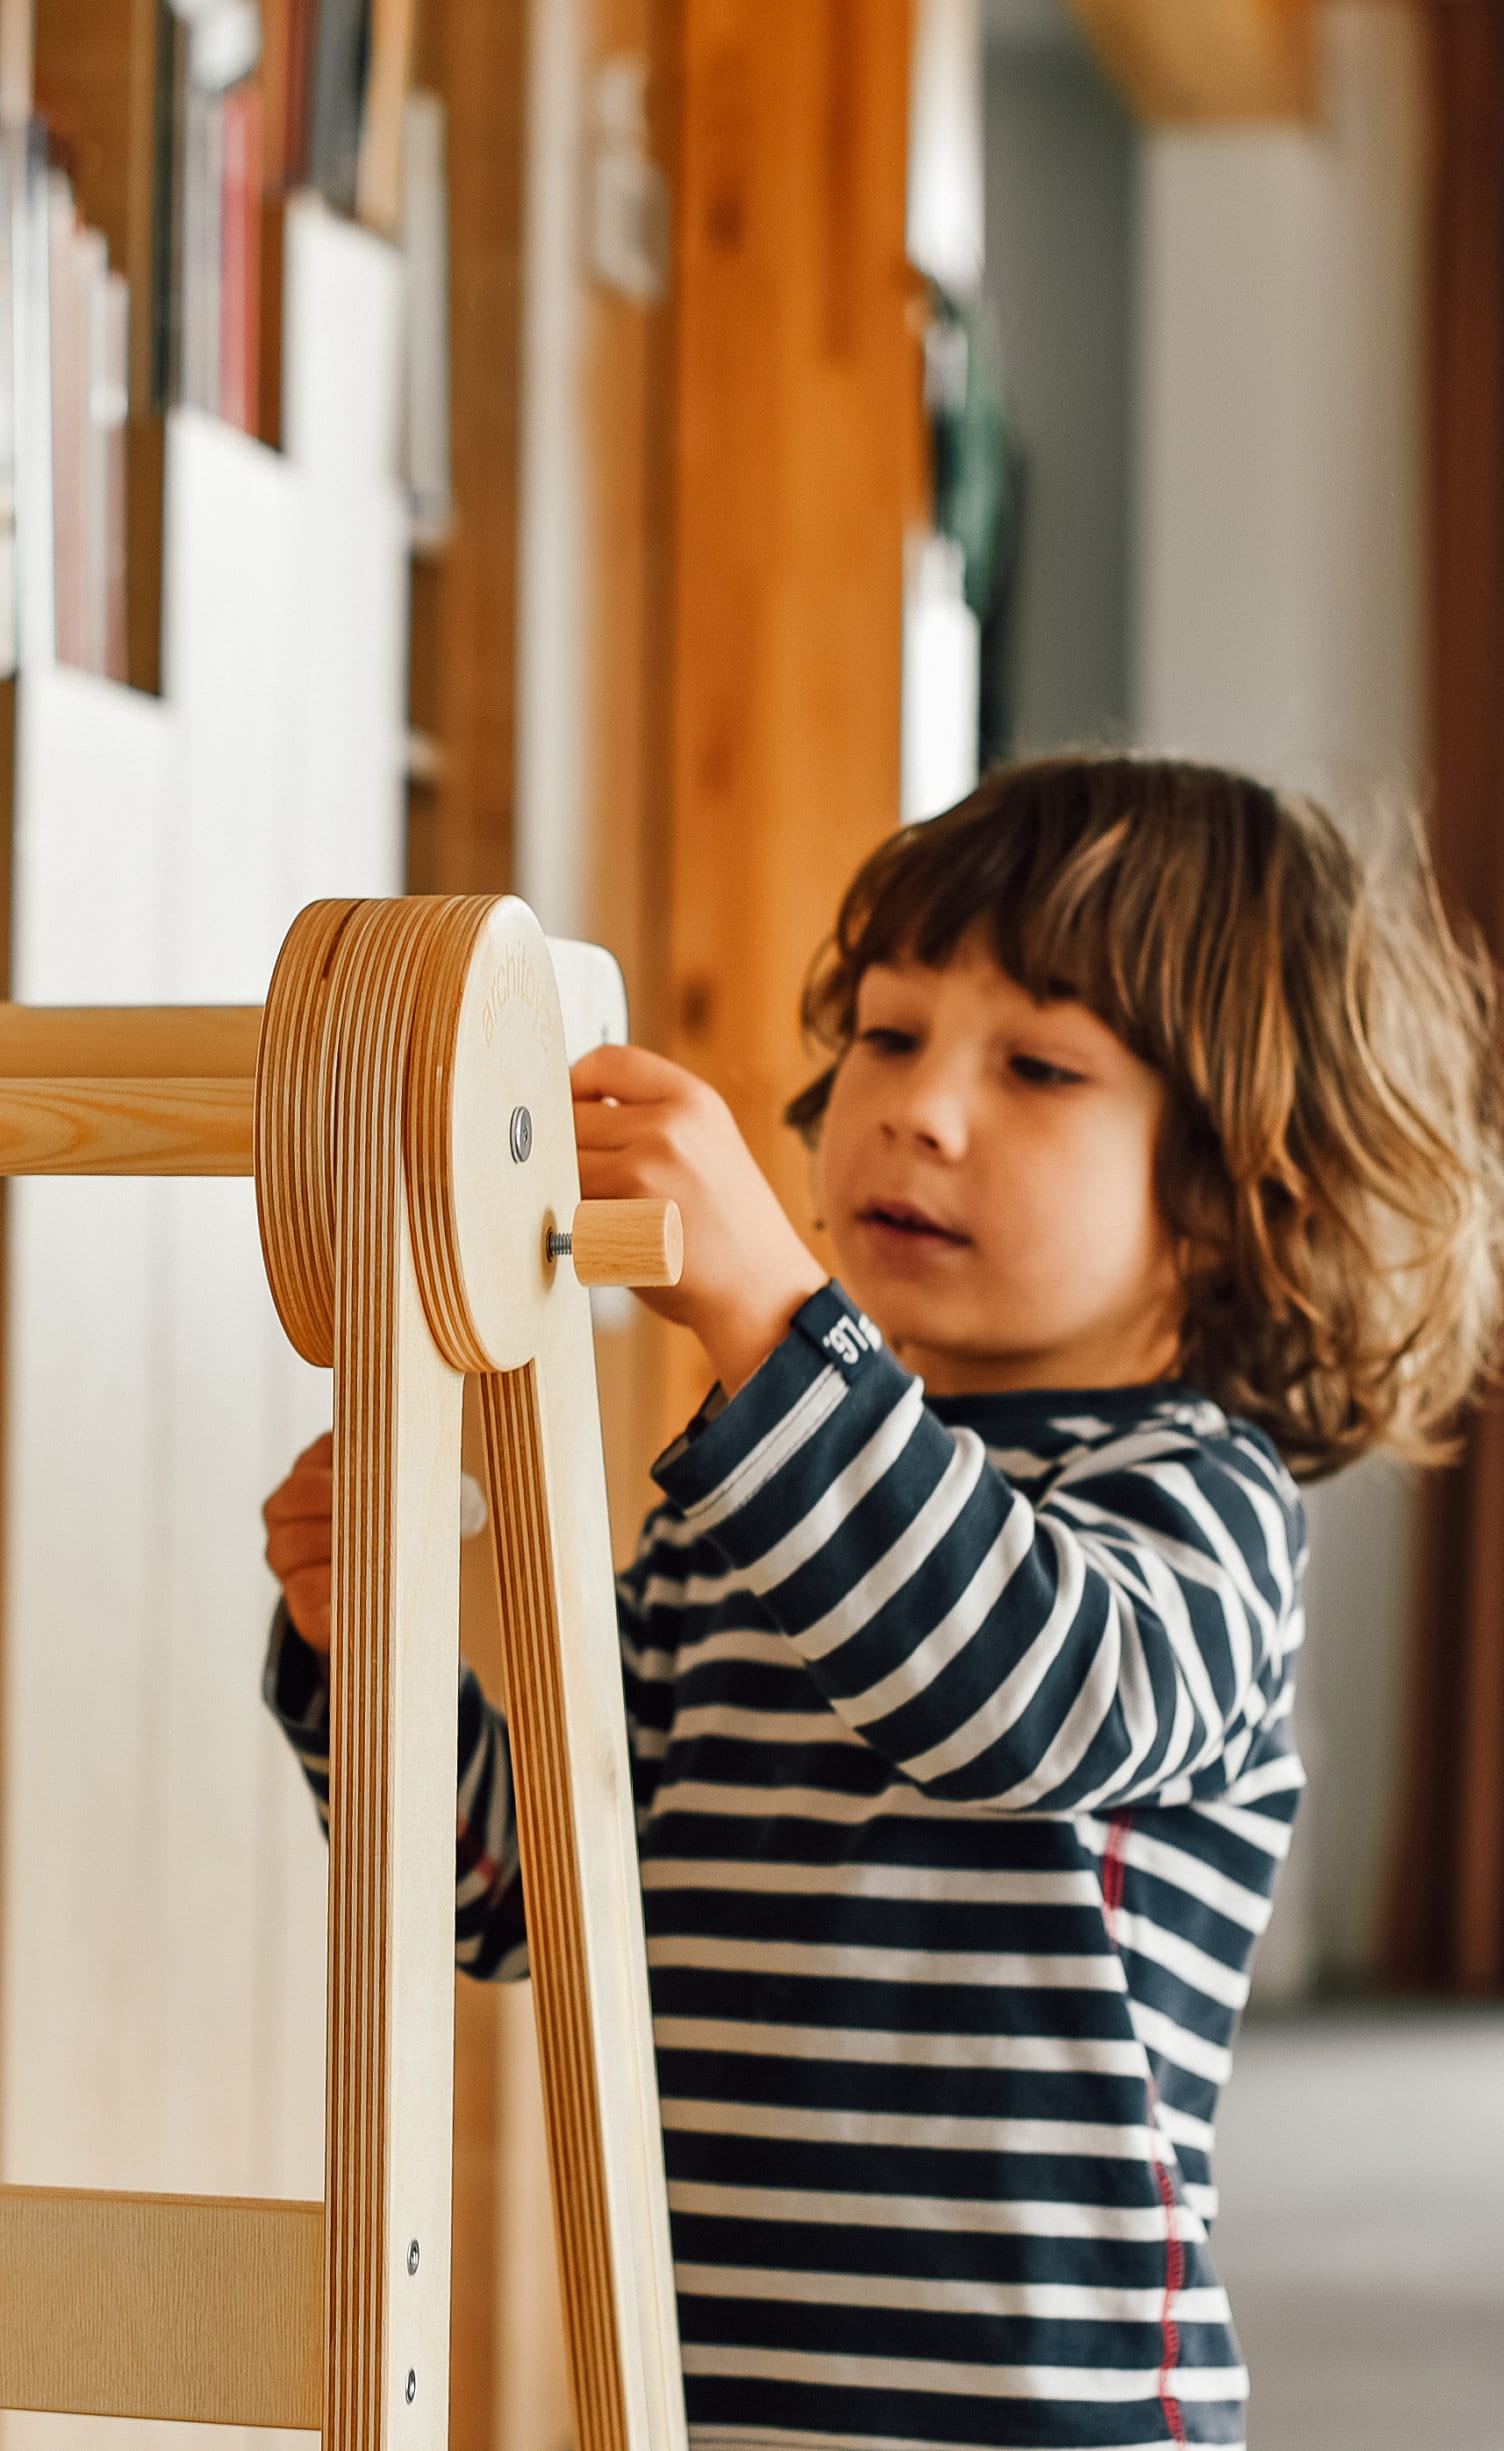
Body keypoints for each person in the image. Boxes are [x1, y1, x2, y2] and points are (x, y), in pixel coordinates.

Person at [259, 757, 1504, 2450]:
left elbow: (1026, 1699)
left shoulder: (1201, 1498)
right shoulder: (748, 1518)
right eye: (889, 1034)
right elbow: (532, 1891)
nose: (921, 1108)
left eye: (1039, 1065)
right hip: (714, 2404)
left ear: (1232, 1199)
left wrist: (774, 1319)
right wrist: (366, 1662)